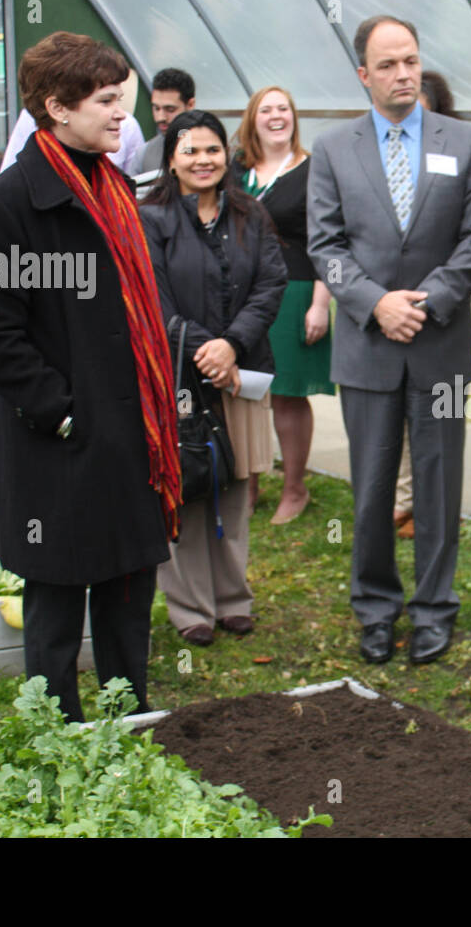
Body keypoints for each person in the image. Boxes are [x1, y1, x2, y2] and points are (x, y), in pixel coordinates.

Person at [0, 31, 181, 722]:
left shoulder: (114, 188)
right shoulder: (13, 204)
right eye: (108, 100)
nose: (125, 115)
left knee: (125, 601)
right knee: (55, 611)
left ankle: (129, 732)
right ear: (57, 107)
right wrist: (64, 412)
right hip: (57, 449)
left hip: (128, 441)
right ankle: (58, 744)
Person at [306, 15, 471, 666]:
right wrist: (375, 304)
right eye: (387, 64)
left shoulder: (467, 144)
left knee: (440, 483)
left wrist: (429, 302)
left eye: (410, 60)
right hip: (367, 348)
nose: (403, 74)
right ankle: (376, 607)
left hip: (440, 347)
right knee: (372, 489)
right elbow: (324, 247)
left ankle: (435, 608)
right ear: (364, 74)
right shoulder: (331, 150)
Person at [141, 110, 286, 644]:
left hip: (241, 373)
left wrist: (233, 345)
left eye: (212, 150)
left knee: (234, 486)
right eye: (190, 151)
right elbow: (152, 300)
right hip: (178, 376)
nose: (203, 161)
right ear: (171, 158)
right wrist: (207, 350)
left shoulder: (252, 214)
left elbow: (271, 284)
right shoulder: (149, 217)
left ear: (227, 155)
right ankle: (190, 609)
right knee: (186, 487)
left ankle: (232, 599)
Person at [233, 85, 332, 524]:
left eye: (284, 109)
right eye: (266, 109)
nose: (276, 116)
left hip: (294, 290)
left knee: (288, 396)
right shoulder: (237, 171)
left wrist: (320, 303)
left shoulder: (314, 171)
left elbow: (329, 241)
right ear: (253, 119)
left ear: (294, 117)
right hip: (239, 293)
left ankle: (295, 488)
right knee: (245, 392)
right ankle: (248, 483)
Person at [393, 70, 460, 540]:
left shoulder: (457, 157)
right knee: (393, 424)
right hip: (387, 316)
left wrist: (429, 298)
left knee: (440, 418)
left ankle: (434, 506)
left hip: (442, 318)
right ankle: (401, 502)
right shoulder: (383, 157)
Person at [1, 105, 146, 176]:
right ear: (58, 109)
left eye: (118, 99)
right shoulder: (29, 119)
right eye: (105, 101)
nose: (121, 114)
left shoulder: (128, 126)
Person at [140, 68, 196, 176]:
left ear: (190, 105)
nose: (161, 117)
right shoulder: (144, 153)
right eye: (156, 108)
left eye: (170, 109)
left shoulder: (213, 148)